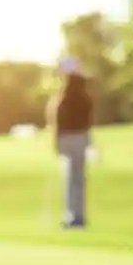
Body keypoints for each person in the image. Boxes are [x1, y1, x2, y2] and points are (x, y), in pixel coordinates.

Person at [47, 57, 94, 229]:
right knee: (79, 180)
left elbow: (58, 120)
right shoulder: (84, 95)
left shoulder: (65, 96)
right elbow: (88, 119)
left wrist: (55, 141)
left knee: (71, 180)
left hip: (68, 138)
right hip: (81, 138)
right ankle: (79, 217)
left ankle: (72, 216)